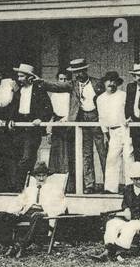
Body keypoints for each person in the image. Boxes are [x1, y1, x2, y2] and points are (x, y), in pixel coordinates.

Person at [40, 58, 107, 193]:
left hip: (97, 119)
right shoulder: (73, 84)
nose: (78, 75)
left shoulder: (97, 83)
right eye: (75, 72)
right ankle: (89, 185)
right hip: (82, 120)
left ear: (85, 70)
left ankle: (108, 185)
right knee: (86, 153)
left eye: (80, 71)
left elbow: (105, 101)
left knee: (102, 151)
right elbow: (56, 86)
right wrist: (40, 82)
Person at [6, 64, 56, 191]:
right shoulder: (18, 91)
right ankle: (22, 185)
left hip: (32, 127)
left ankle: (20, 185)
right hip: (20, 127)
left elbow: (48, 109)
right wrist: (11, 119)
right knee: (19, 156)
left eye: (22, 76)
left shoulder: (39, 90)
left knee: (27, 157)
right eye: (18, 76)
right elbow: (12, 108)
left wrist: (41, 119)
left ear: (29, 77)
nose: (19, 78)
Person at [5, 161, 66, 258]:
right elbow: (19, 201)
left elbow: (62, 205)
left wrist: (47, 212)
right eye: (38, 176)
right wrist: (15, 211)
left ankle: (22, 246)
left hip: (42, 216)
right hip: (27, 213)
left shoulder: (54, 189)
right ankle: (12, 245)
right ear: (35, 176)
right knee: (5, 216)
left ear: (47, 176)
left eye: (44, 175)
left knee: (36, 215)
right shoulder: (30, 189)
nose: (41, 178)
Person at [97, 71, 133, 192]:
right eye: (108, 81)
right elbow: (101, 118)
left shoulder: (123, 95)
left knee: (128, 157)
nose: (111, 83)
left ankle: (130, 187)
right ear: (104, 82)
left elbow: (129, 111)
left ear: (117, 83)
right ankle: (111, 188)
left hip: (126, 129)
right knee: (112, 159)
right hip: (112, 132)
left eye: (114, 81)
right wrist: (105, 134)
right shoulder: (100, 99)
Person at [45, 68, 73, 188]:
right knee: (56, 155)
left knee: (67, 155)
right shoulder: (54, 94)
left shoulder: (71, 93)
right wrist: (49, 131)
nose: (62, 81)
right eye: (60, 79)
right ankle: (55, 185)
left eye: (65, 79)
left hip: (67, 124)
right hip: (57, 125)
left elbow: (73, 110)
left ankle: (69, 185)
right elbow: (51, 113)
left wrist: (66, 118)